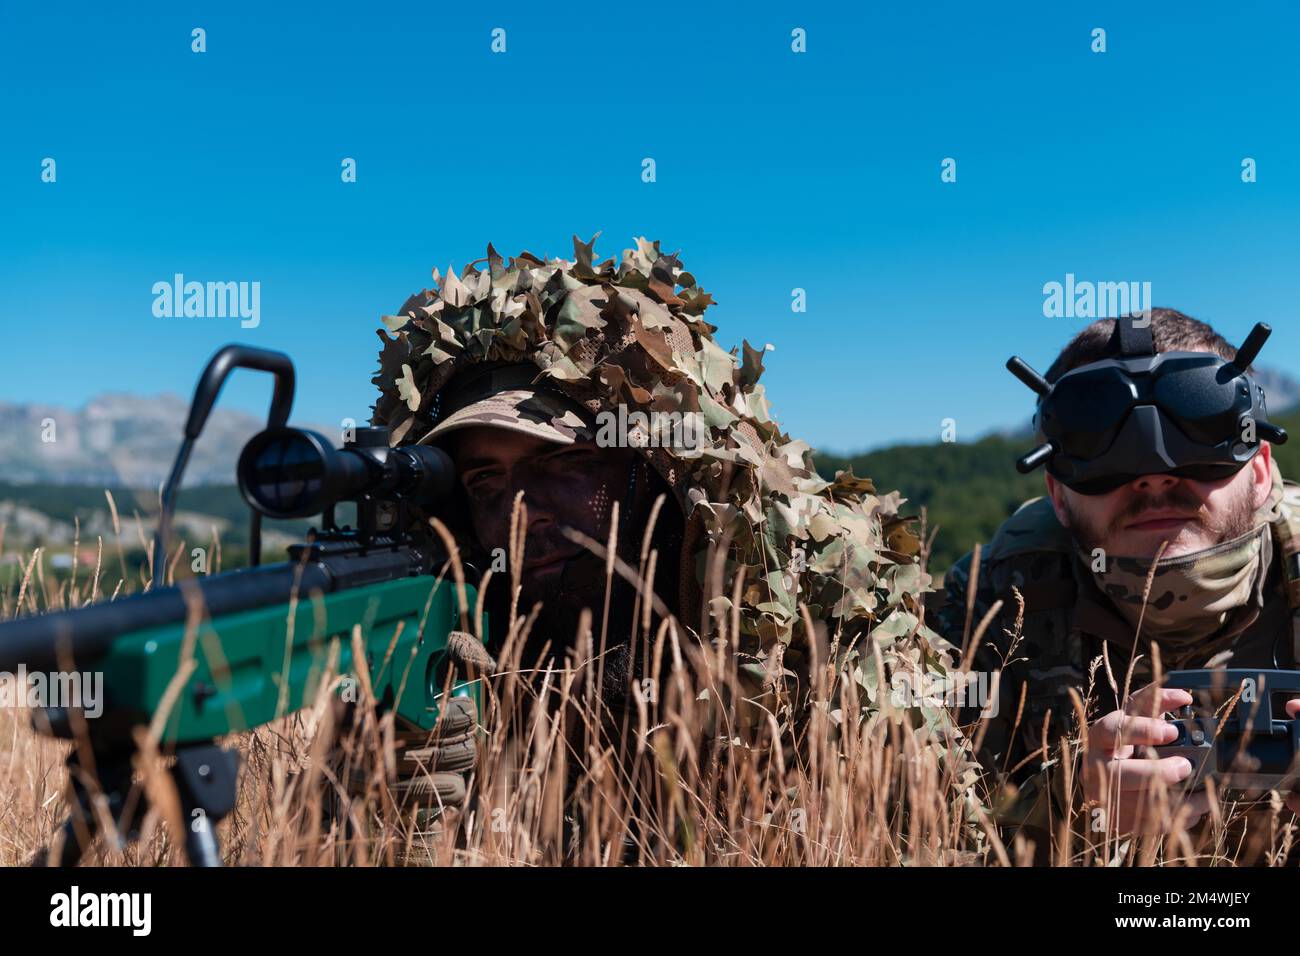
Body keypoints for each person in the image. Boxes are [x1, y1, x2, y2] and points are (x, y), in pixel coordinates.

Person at [364, 235, 966, 852]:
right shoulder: (452, 644)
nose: (521, 513)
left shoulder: (809, 604)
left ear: (650, 466)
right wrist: (401, 817)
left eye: (566, 465)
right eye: (485, 482)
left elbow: (929, 835)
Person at [936, 308, 1300, 861]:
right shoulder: (989, 599)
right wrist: (1067, 807)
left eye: (1203, 428)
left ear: (1259, 472)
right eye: (1102, 446)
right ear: (1058, 495)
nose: (1154, 475)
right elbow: (912, 827)